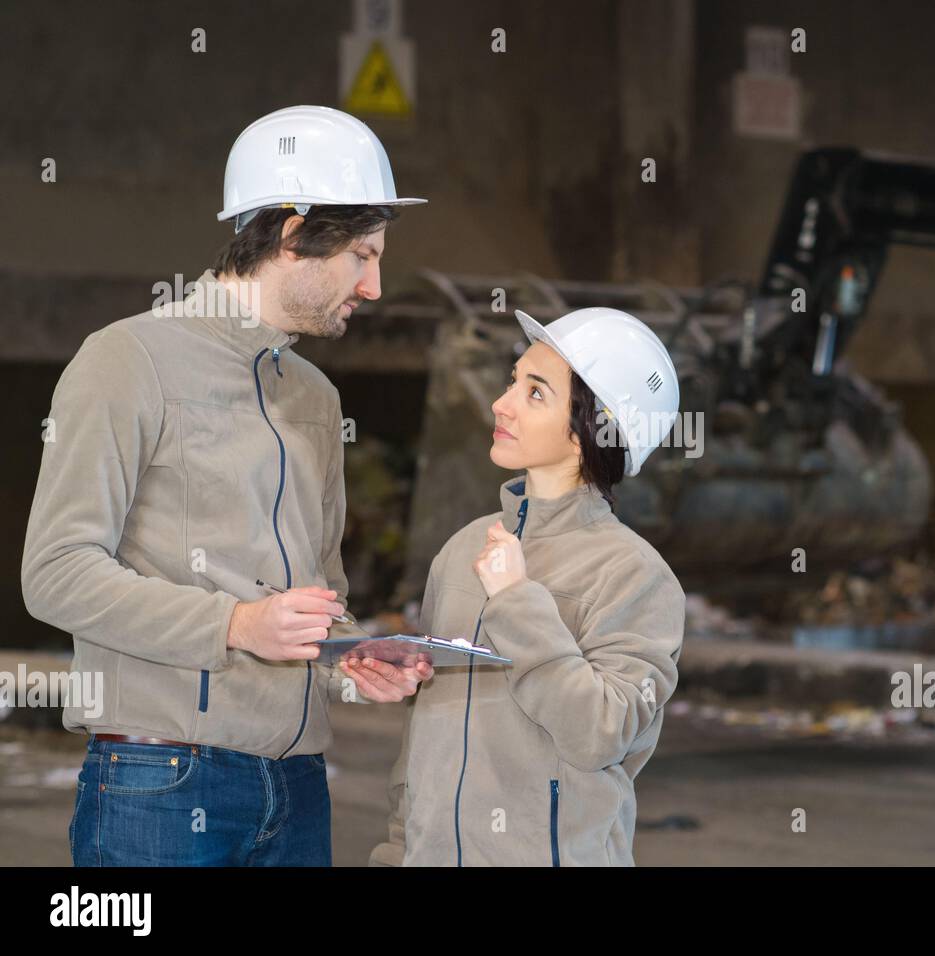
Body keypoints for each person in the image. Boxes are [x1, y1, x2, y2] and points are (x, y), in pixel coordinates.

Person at [21, 105, 429, 866]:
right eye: (362, 257)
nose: (374, 286)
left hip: (300, 784)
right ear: (293, 232)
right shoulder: (127, 360)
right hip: (162, 781)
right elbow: (55, 574)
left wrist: (355, 658)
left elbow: (319, 593)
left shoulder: (314, 397)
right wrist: (237, 625)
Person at [369, 306, 687, 866]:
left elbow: (601, 733)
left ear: (593, 428)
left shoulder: (635, 576)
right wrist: (398, 852)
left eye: (536, 393)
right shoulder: (464, 550)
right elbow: (426, 736)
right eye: (513, 380)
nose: (502, 402)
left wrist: (517, 602)